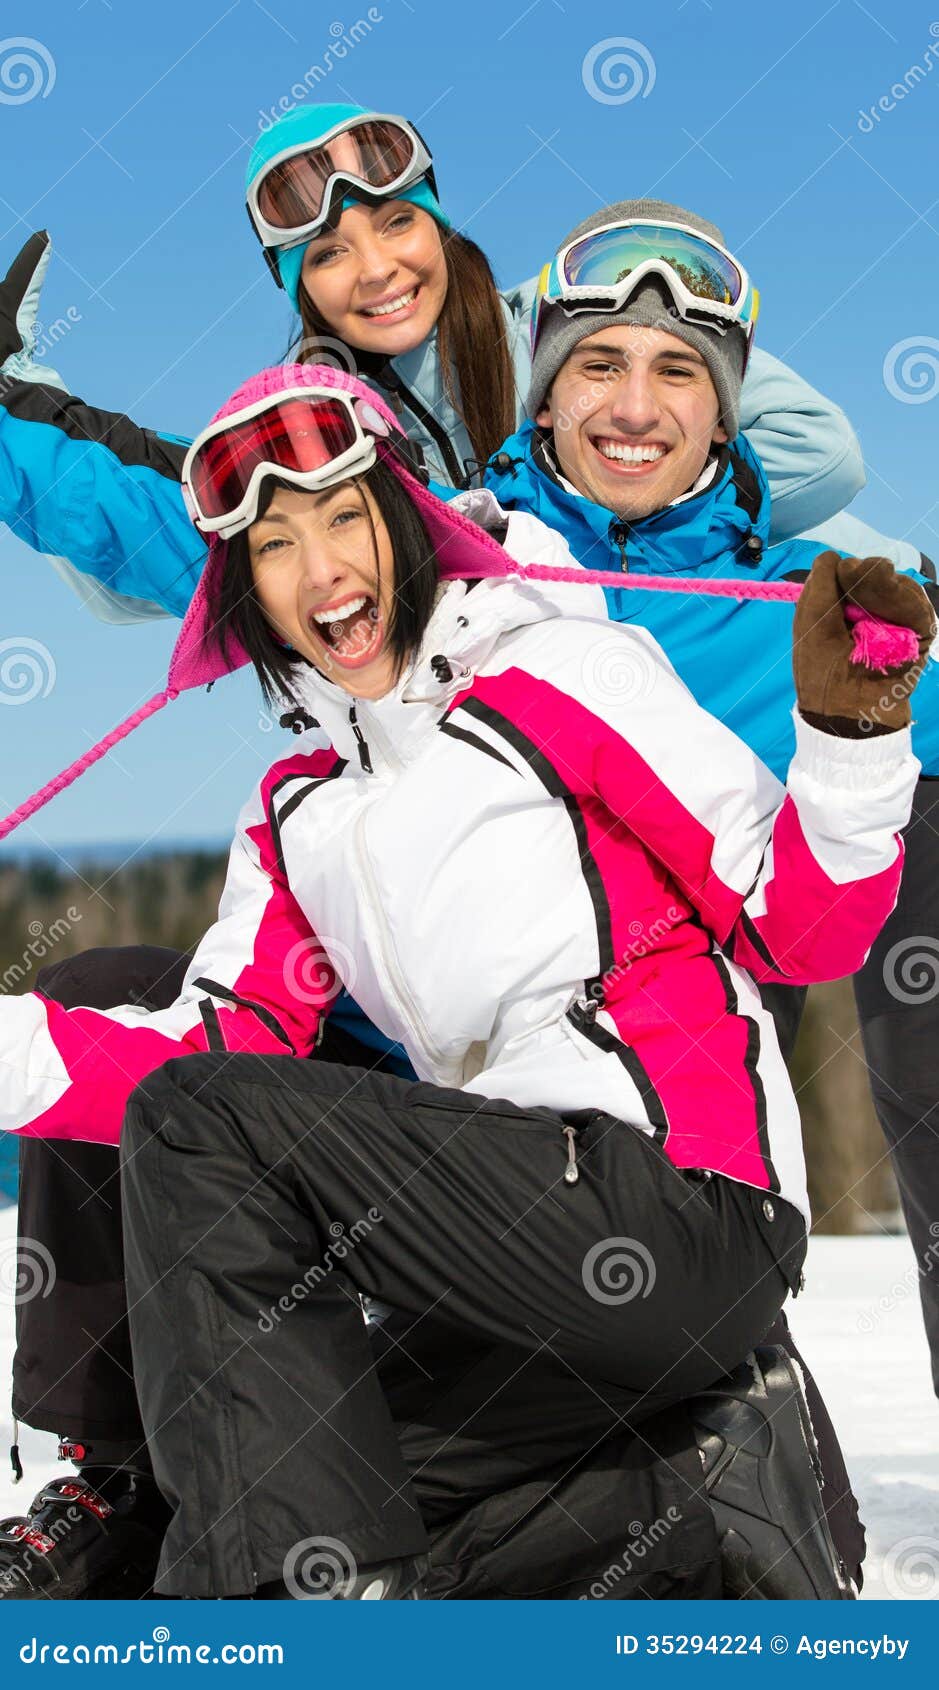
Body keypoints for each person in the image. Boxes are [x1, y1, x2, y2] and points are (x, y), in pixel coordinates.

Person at [0, 110, 890, 1590]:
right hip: (457, 1160)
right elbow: (159, 520)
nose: (318, 568)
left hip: (658, 1172)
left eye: (672, 379)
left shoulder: (585, 646)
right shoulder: (305, 797)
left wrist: (855, 733)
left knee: (210, 1136)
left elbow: (801, 912)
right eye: (274, 547)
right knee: (265, 1452)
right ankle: (694, 1472)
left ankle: (285, 1625)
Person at [483, 199, 939, 1399]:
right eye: (599, 364)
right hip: (592, 986)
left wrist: (894, 665)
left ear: (727, 414)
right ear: (541, 398)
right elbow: (191, 520)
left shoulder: (793, 600)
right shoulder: (466, 572)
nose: (637, 407)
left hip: (840, 862)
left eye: (679, 371)